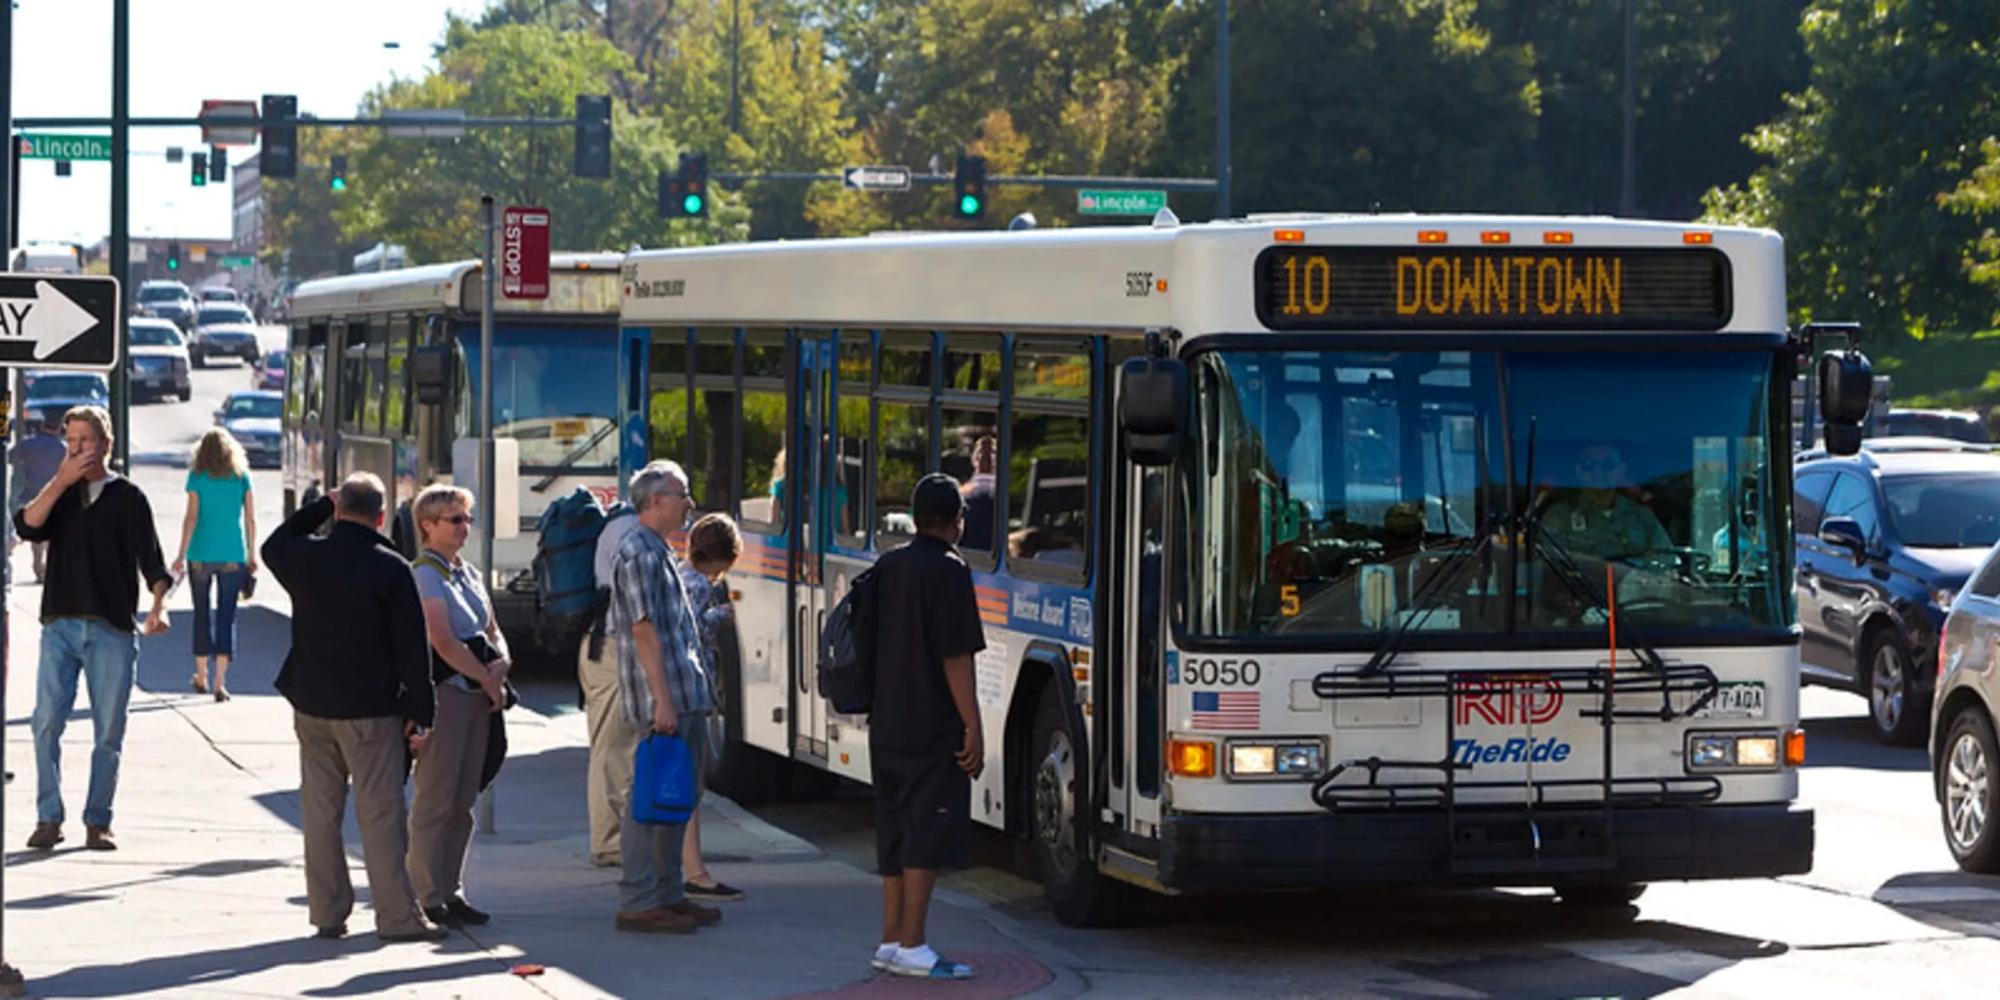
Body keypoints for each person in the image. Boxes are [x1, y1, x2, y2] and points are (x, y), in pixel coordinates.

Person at [261, 473, 446, 943]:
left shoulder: (306, 556)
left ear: (339, 509)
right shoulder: (391, 567)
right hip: (371, 710)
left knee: (320, 813)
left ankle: (327, 912)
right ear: (382, 516)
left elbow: (273, 543)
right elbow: (412, 648)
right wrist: (422, 710)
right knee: (380, 815)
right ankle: (397, 918)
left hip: (313, 705)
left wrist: (322, 505)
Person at [15, 406, 171, 852]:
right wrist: (60, 480)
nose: (77, 448)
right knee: (45, 722)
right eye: (71, 440)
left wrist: (159, 606)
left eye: (85, 440)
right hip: (60, 624)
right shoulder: (59, 493)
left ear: (107, 444)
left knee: (108, 731)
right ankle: (49, 817)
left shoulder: (129, 498)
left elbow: (153, 563)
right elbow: (27, 526)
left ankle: (97, 820)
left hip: (111, 628)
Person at [867, 473, 985, 980]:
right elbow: (956, 657)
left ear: (915, 517)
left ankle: (891, 939)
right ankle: (915, 943)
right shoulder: (951, 572)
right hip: (930, 725)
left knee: (893, 827)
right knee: (925, 829)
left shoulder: (887, 566)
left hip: (887, 720)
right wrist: (973, 726)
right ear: (957, 521)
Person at [607, 461, 720, 934]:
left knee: (676, 797)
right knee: (649, 798)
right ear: (654, 502)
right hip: (665, 700)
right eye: (682, 494)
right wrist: (663, 701)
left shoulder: (658, 548)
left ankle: (668, 892)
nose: (689, 503)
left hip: (683, 693)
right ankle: (639, 899)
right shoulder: (638, 551)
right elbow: (643, 629)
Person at [406, 484, 510, 929]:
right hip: (447, 694)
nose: (464, 526)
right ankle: (427, 895)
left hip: (477, 697)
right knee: (435, 798)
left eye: (467, 518)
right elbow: (441, 639)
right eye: (455, 519)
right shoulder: (424, 573)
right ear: (428, 525)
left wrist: (502, 665)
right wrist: (487, 678)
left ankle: (452, 889)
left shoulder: (466, 572)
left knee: (463, 801)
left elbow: (491, 628)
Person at [676, 513, 745, 902]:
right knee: (691, 782)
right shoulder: (701, 585)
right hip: (693, 689)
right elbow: (693, 630)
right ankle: (693, 870)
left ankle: (687, 867)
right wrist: (723, 614)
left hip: (682, 689)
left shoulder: (679, 573)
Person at [171, 428, 257, 702]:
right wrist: (252, 553)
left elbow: (191, 517)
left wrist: (180, 553)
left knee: (201, 613)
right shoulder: (241, 477)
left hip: (200, 554)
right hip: (232, 553)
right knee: (226, 615)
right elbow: (250, 519)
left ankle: (201, 676)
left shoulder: (196, 477)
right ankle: (220, 681)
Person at [581, 497, 642, 867]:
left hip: (614, 645)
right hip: (613, 647)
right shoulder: (629, 533)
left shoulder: (628, 529)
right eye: (680, 495)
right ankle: (609, 845)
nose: (688, 504)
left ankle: (618, 840)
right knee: (612, 748)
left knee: (622, 749)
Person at [1538, 443, 1672, 562]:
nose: (1598, 472)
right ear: (1579, 472)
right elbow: (1551, 568)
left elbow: (1666, 562)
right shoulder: (1559, 518)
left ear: (1620, 470)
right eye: (1589, 465)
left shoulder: (1642, 518)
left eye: (1607, 465)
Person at [10, 412, 66, 584]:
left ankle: (38, 569)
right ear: (58, 429)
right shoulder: (63, 448)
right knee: (53, 535)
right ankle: (50, 569)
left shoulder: (28, 444)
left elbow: (11, 457)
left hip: (31, 492)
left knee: (36, 535)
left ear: (42, 426)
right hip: (55, 494)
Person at [958, 436, 997, 552]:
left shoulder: (1002, 492)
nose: (986, 456)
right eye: (980, 451)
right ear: (973, 458)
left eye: (993, 452)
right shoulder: (962, 491)